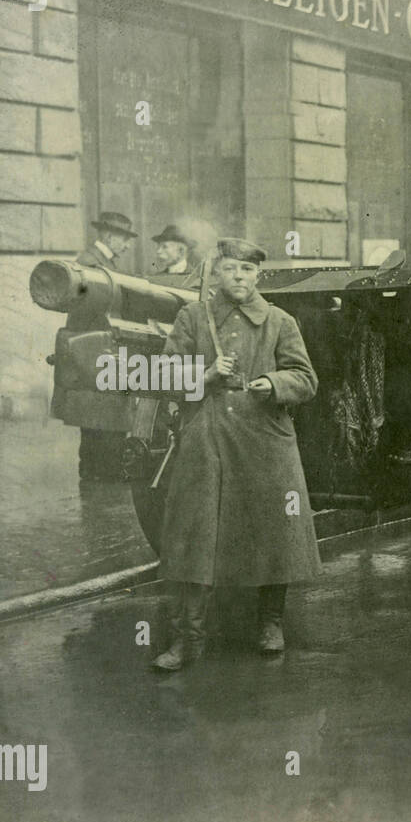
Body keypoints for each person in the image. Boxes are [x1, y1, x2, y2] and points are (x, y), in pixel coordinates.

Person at [151, 238, 321, 671]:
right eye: (231, 270)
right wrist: (206, 375)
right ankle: (188, 640)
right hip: (205, 438)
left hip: (264, 439)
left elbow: (305, 378)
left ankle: (270, 623)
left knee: (272, 532)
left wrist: (272, 383)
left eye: (247, 271)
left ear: (258, 275)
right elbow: (165, 376)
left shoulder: (280, 321)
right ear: (218, 273)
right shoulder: (192, 317)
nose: (239, 278)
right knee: (194, 535)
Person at [70, 211, 137, 479]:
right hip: (96, 346)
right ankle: (102, 471)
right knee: (99, 410)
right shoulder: (90, 264)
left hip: (99, 345)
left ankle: (98, 470)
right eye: (125, 238)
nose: (128, 245)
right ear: (110, 236)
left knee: (99, 410)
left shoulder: (100, 262)